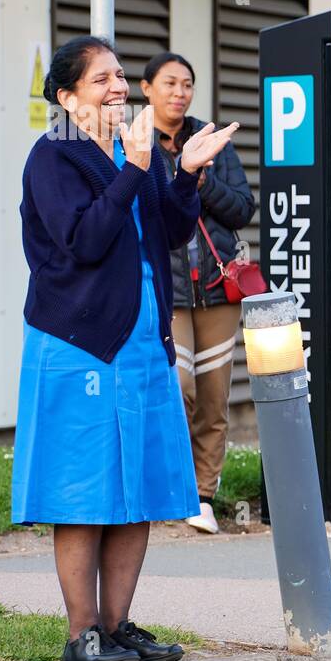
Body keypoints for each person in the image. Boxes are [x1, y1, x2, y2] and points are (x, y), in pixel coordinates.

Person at [14, 36, 238, 661]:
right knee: (84, 490)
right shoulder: (52, 156)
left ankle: (116, 626)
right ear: (66, 96)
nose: (118, 87)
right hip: (79, 343)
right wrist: (139, 169)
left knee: (134, 485)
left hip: (142, 340)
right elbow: (85, 240)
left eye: (119, 76)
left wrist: (186, 171)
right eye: (101, 79)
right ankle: (81, 632)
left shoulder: (128, 148)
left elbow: (167, 231)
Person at [140, 52, 256, 535]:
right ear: (146, 88)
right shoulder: (136, 144)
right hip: (169, 290)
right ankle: (174, 489)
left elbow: (242, 209)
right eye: (169, 83)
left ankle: (203, 496)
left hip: (217, 287)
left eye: (187, 84)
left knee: (213, 398)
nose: (180, 93)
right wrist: (180, 178)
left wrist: (200, 181)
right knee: (178, 389)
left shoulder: (212, 141)